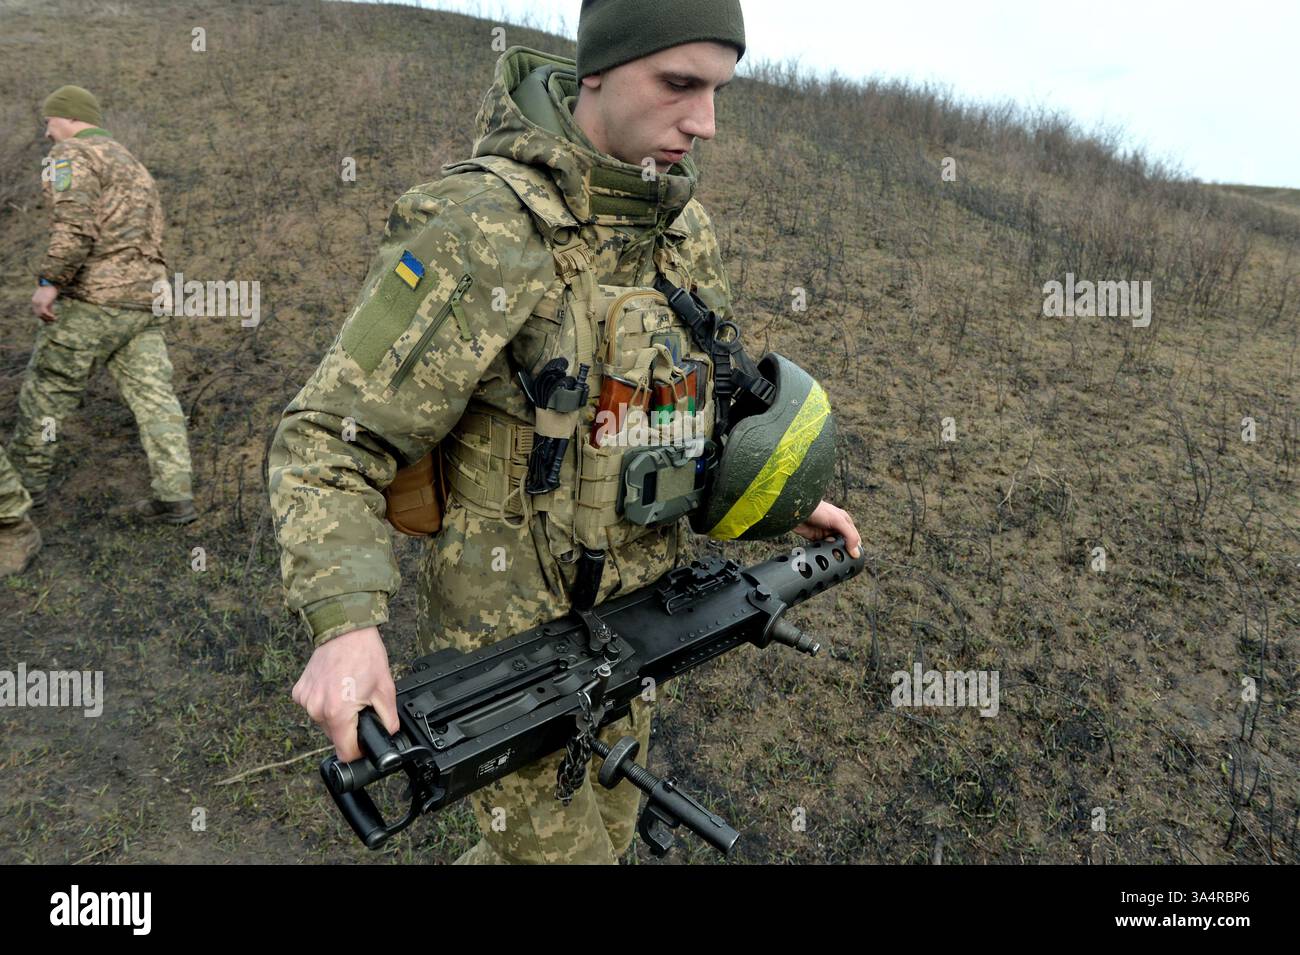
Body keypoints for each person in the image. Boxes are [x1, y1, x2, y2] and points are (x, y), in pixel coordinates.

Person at [270, 0, 861, 864]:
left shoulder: (679, 229)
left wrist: (775, 491)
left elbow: (693, 399)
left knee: (611, 833)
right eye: (678, 83)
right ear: (598, 69)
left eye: (718, 91)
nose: (704, 122)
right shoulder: (482, 226)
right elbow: (330, 438)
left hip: (644, 624)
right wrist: (344, 624)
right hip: (509, 661)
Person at [5, 85, 197, 528]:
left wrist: (49, 282)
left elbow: (74, 226)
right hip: (143, 303)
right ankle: (175, 496)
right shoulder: (132, 162)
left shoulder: (71, 154)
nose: (47, 132)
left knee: (46, 394)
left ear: (70, 117)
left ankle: (18, 502)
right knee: (156, 401)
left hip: (93, 300)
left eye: (50, 121)